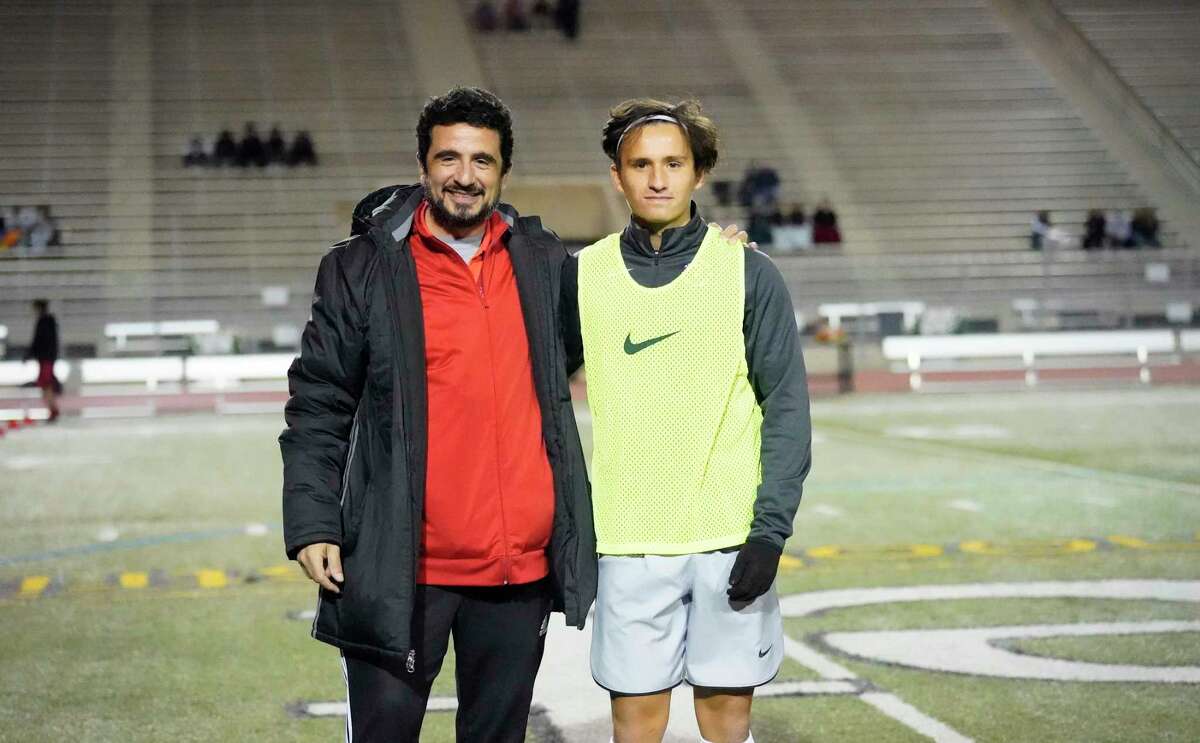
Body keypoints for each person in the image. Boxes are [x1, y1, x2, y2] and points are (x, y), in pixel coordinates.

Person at [280, 87, 597, 743]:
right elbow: (319, 400)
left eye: (482, 160)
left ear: (504, 171)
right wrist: (312, 521)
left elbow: (601, 330)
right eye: (449, 157)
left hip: (517, 571)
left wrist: (707, 244)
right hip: (402, 565)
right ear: (423, 165)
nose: (465, 176)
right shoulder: (363, 266)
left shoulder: (543, 261)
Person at [566, 98, 811, 743]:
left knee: (724, 721)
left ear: (698, 173)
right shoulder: (582, 276)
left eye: (673, 163)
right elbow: (533, 393)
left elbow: (787, 408)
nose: (657, 179)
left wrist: (770, 533)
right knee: (636, 722)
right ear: (617, 176)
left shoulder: (747, 271)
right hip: (628, 541)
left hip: (728, 538)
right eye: (640, 165)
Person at [25, 299, 61, 423]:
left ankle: (53, 410)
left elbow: (39, 341)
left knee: (46, 384)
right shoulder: (47, 321)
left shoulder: (45, 321)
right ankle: (53, 409)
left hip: (46, 359)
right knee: (45, 384)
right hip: (46, 358)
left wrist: (30, 354)